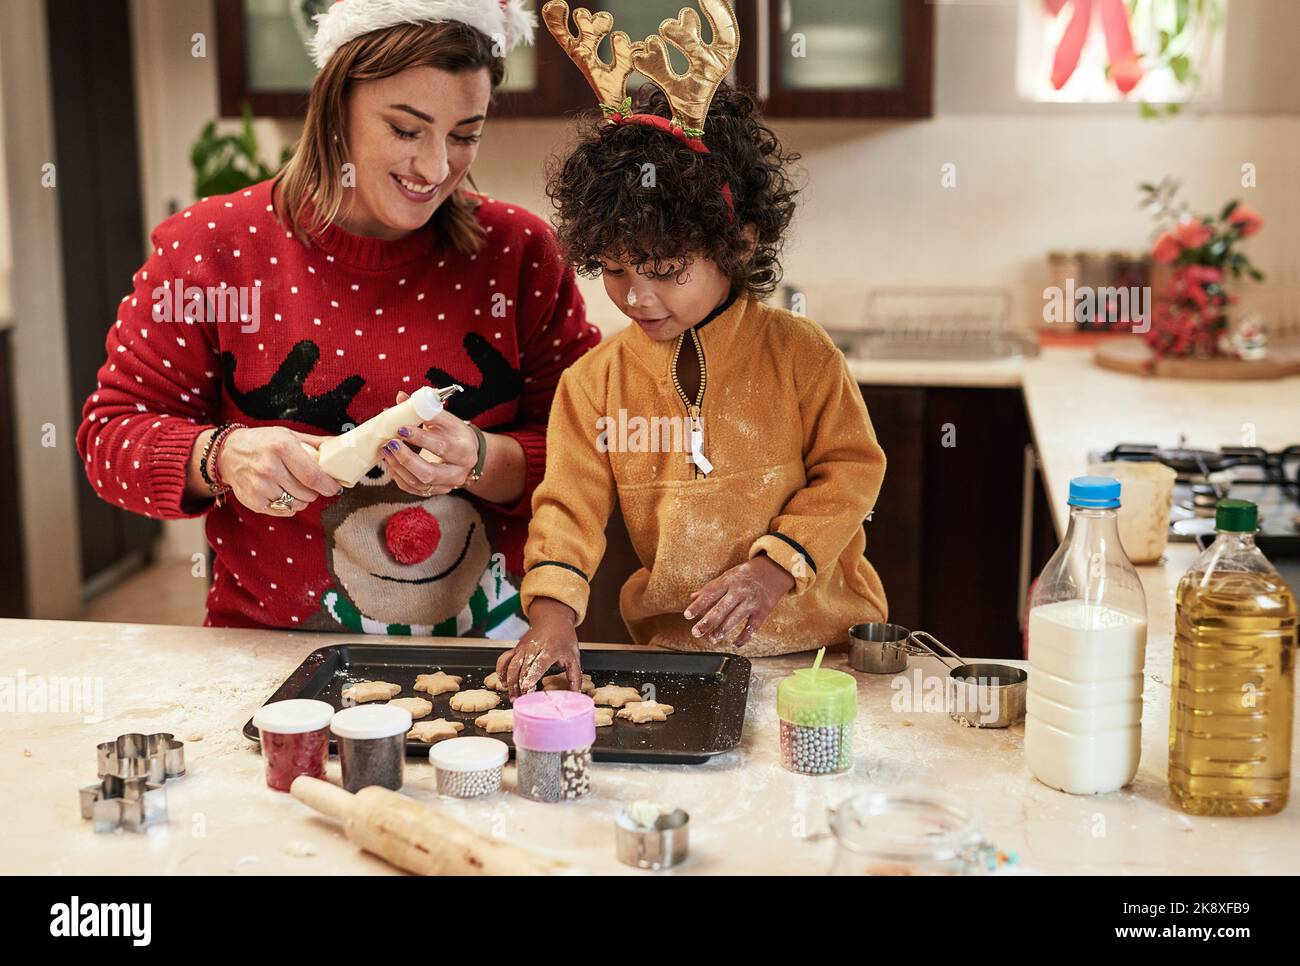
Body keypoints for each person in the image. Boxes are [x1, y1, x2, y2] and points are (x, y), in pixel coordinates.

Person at [76, 0, 598, 635]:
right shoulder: (211, 246)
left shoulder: (518, 254)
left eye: (465, 134)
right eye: (406, 130)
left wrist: (482, 459)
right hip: (274, 659)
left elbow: (588, 452)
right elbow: (110, 441)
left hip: (493, 658)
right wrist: (223, 456)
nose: (436, 168)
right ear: (335, 105)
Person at [495, 0, 886, 695]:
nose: (637, 297)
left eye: (666, 271)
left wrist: (773, 570)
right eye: (614, 270)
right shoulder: (594, 385)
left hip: (825, 655)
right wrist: (553, 617)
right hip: (681, 661)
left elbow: (853, 472)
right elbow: (567, 512)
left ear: (738, 243)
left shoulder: (801, 354)